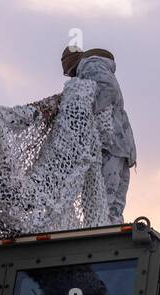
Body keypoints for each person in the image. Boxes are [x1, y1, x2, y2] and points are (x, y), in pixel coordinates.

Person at [60, 46, 136, 223]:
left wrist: (84, 112)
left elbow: (108, 89)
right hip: (123, 148)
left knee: (102, 205)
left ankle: (102, 239)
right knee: (113, 210)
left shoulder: (89, 66)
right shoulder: (97, 67)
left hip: (110, 147)